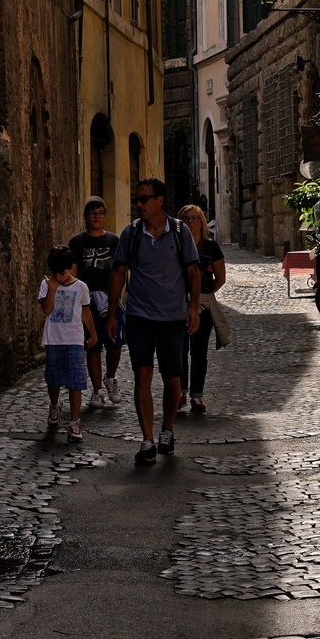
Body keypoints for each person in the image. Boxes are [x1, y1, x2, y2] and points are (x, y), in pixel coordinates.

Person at [106, 178, 201, 464]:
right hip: (139, 317)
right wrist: (112, 314)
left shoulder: (179, 232)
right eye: (137, 199)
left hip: (173, 317)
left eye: (144, 199)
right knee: (142, 375)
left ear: (159, 200)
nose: (139, 204)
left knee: (172, 378)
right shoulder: (131, 233)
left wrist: (194, 307)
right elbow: (119, 274)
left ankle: (167, 430)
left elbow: (193, 272)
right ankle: (147, 440)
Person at [69, 196, 123, 408]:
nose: (97, 217)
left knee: (115, 341)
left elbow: (120, 271)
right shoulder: (77, 242)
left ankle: (110, 379)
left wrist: (117, 296)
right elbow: (73, 271)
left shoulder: (114, 241)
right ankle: (97, 390)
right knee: (92, 344)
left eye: (100, 213)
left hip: (110, 298)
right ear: (85, 216)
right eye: (93, 213)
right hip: (86, 300)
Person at [39, 245, 97, 442]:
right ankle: (54, 405)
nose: (58, 276)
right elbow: (46, 309)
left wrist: (93, 334)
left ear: (71, 267)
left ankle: (74, 421)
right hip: (53, 340)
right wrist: (53, 287)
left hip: (74, 340)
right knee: (53, 379)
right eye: (54, 272)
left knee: (75, 382)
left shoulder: (81, 287)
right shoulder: (47, 284)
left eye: (62, 272)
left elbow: (86, 312)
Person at [177, 204, 227, 414]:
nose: (190, 222)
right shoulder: (175, 246)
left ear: (202, 222)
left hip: (203, 305)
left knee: (199, 351)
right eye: (186, 219)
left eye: (194, 218)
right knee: (180, 350)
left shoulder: (211, 247)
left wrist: (204, 296)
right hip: (177, 304)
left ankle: (197, 396)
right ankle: (180, 393)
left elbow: (221, 278)